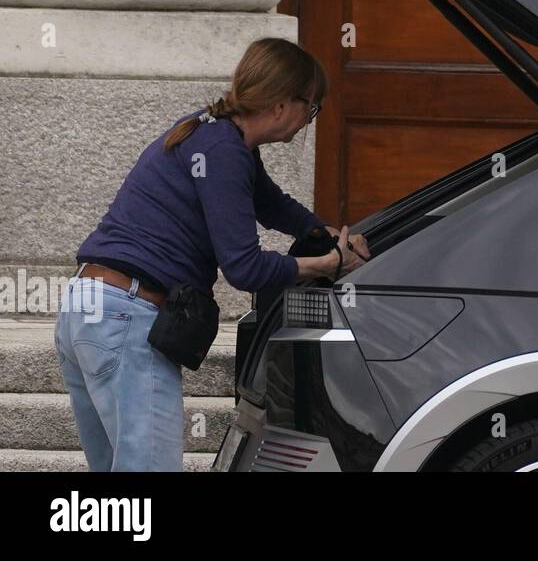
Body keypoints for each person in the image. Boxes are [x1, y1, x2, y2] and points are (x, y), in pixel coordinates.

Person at [53, 37, 368, 471]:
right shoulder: (224, 150)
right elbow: (245, 267)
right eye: (311, 108)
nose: (308, 122)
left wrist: (330, 235)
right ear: (281, 104)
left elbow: (272, 204)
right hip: (126, 318)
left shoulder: (215, 135)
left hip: (88, 309)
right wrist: (326, 264)